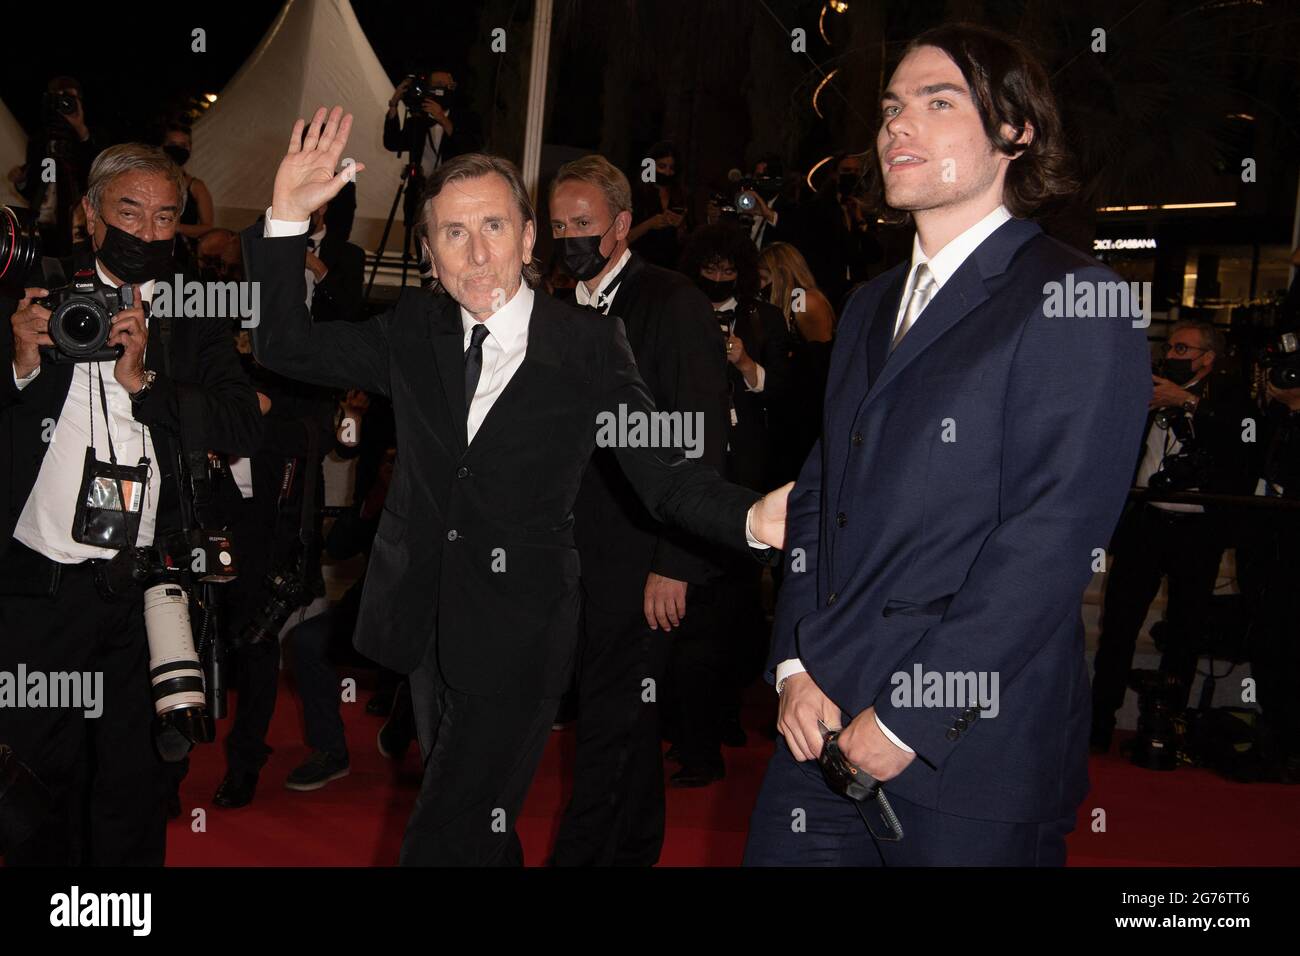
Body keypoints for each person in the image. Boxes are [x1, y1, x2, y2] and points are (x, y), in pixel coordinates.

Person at [242, 107, 791, 866]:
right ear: (427, 253)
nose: (476, 255)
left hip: (522, 631)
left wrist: (754, 520)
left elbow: (662, 474)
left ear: (530, 240)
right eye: (453, 234)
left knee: (442, 836)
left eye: (495, 228)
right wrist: (284, 220)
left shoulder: (588, 346)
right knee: (477, 821)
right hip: (425, 620)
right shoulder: (413, 332)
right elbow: (283, 343)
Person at [743, 23, 1150, 867]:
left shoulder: (1077, 298)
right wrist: (792, 665)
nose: (898, 125)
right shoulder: (865, 307)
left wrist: (911, 717)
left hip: (968, 756)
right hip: (817, 733)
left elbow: (1051, 541)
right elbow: (821, 498)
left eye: (937, 102)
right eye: (892, 108)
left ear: (1015, 132)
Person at [0, 144, 262, 864]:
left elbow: (244, 421)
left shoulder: (190, 308)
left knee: (134, 790)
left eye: (164, 217)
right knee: (34, 792)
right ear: (88, 215)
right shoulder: (30, 294)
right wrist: (18, 364)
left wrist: (146, 384)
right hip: (41, 592)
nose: (147, 232)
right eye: (128, 212)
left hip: (145, 595)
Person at [545, 155, 730, 864]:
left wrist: (676, 563)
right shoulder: (564, 312)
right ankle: (632, 851)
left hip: (643, 558)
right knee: (620, 719)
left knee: (608, 726)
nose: (571, 238)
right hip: (578, 555)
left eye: (583, 224)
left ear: (622, 225)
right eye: (560, 226)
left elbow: (700, 437)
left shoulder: (670, 300)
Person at [665, 222, 791, 786]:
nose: (716, 279)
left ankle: (722, 717)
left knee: (736, 613)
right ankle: (694, 737)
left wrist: (744, 365)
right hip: (692, 479)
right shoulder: (677, 311)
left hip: (749, 486)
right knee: (695, 617)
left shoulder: (764, 319)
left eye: (725, 270)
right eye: (708, 269)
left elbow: (792, 396)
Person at [1090, 320, 1254, 752]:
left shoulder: (1230, 397)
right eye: (1171, 347)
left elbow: (1245, 440)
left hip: (1198, 530)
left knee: (1184, 630)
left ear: (1208, 358)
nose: (1172, 355)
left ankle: (1168, 727)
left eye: (1183, 348)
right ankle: (1097, 725)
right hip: (1146, 522)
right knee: (1119, 625)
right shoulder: (1146, 388)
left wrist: (1187, 402)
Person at [757, 242, 834, 485]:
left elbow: (820, 355)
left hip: (809, 402)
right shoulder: (786, 301)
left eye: (763, 277)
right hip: (791, 401)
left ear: (780, 273)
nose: (759, 283)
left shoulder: (802, 298)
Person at [14, 77, 101, 258]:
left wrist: (81, 130)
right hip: (41, 224)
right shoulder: (40, 138)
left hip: (74, 225)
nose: (64, 102)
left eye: (69, 97)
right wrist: (22, 181)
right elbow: (38, 186)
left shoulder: (89, 138)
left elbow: (96, 174)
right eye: (58, 97)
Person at [160, 122, 215, 265]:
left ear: (190, 148)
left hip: (182, 258)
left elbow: (208, 227)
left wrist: (177, 228)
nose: (177, 149)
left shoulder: (196, 186)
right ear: (163, 146)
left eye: (183, 145)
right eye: (172, 144)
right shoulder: (151, 182)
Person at [628, 141, 689, 269]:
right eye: (662, 166)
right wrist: (650, 224)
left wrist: (680, 226)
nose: (667, 173)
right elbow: (622, 239)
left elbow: (686, 243)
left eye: (671, 168)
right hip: (637, 266)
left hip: (669, 268)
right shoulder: (636, 195)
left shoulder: (681, 196)